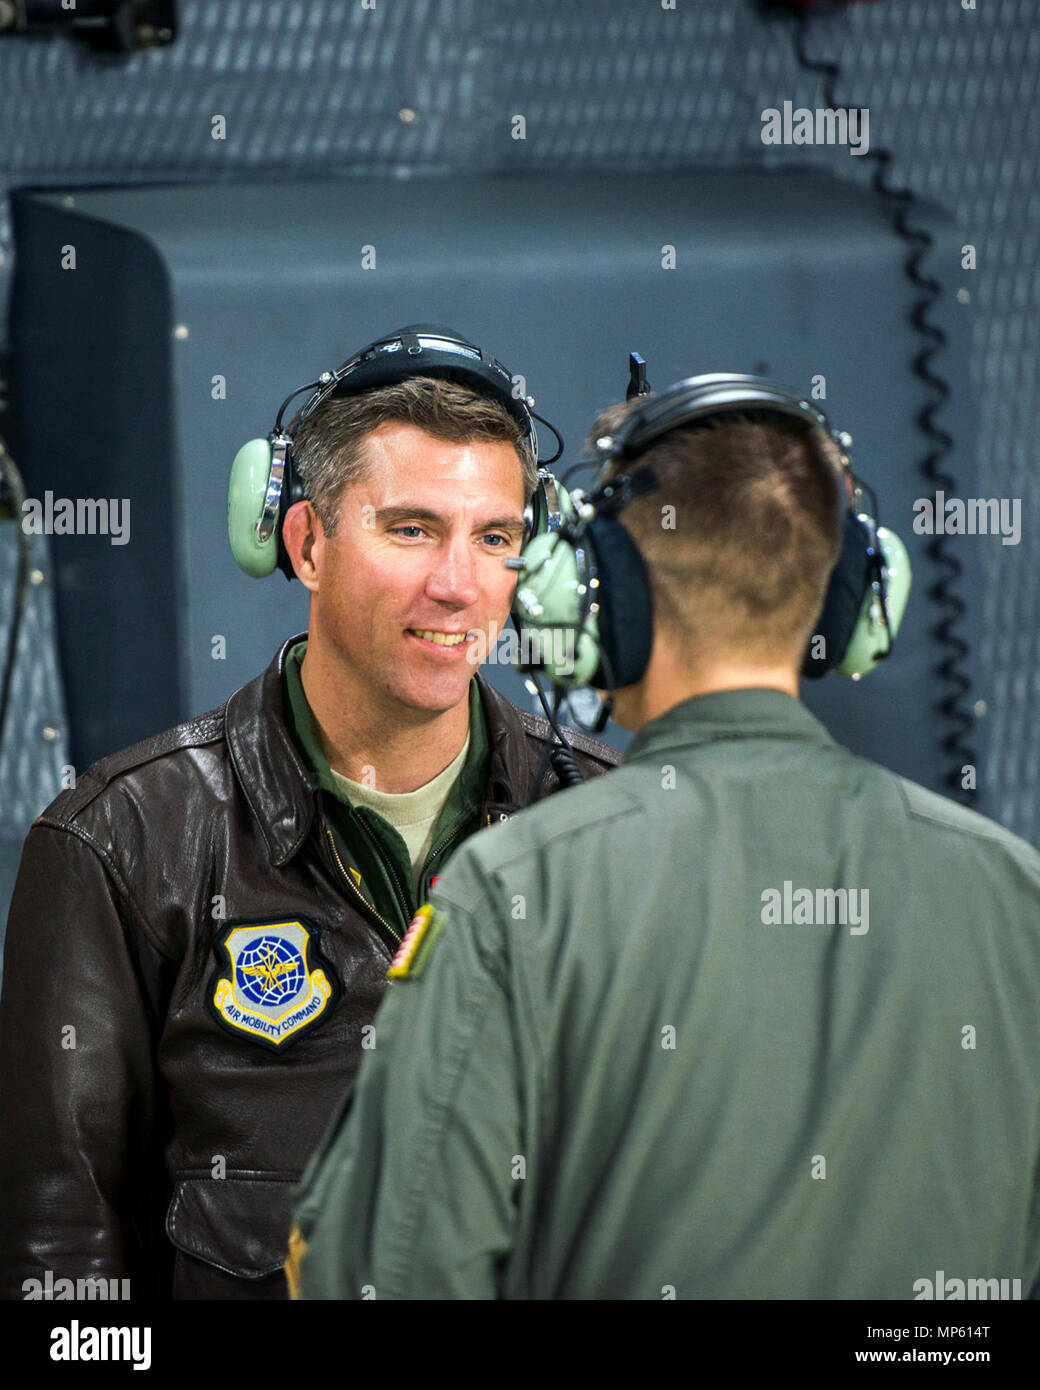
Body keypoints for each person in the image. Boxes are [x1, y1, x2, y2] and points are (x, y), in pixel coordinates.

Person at [290, 372, 1040, 1300]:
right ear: (850, 602)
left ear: (602, 585)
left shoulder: (521, 890)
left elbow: (379, 1277)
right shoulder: (1013, 893)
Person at [0, 325, 619, 1301]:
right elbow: (60, 1255)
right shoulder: (121, 839)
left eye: (494, 538)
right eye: (410, 528)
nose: (457, 585)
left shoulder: (604, 823)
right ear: (305, 543)